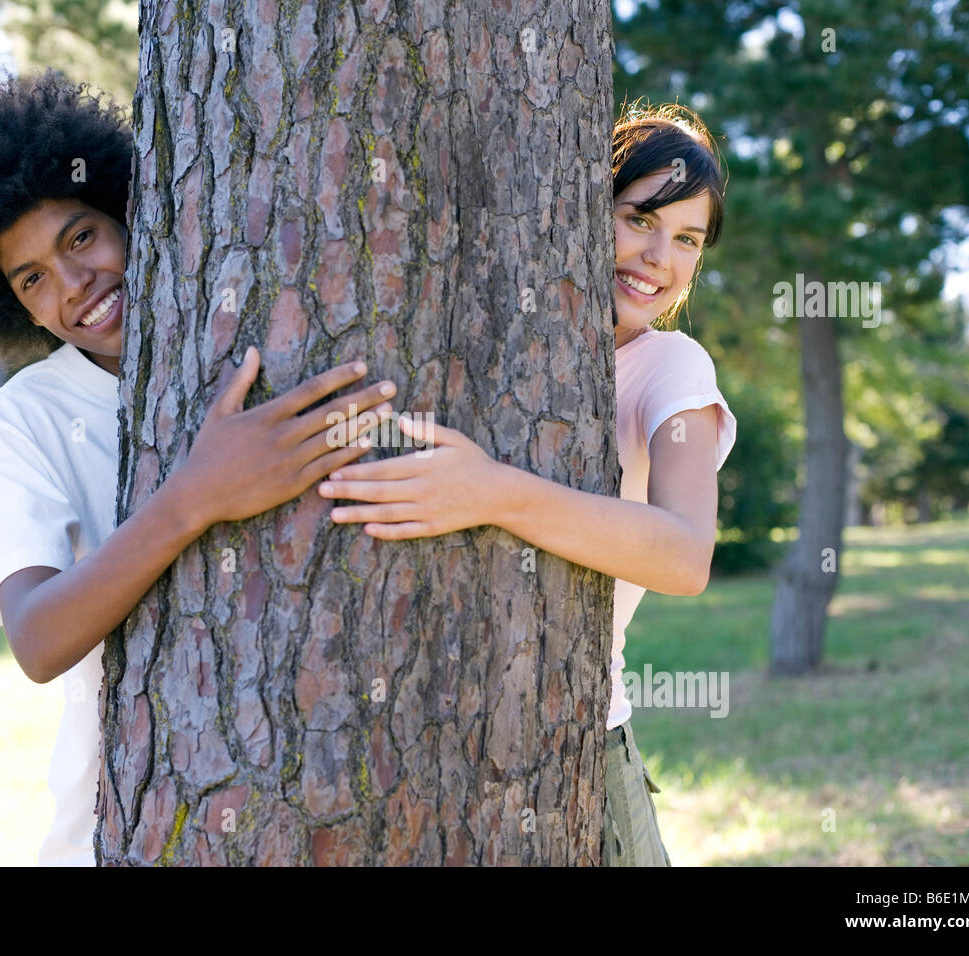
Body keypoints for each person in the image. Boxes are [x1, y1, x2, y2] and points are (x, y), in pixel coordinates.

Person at [0, 71, 394, 865]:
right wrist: (192, 499)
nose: (74, 285)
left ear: (128, 209)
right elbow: (38, 640)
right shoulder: (21, 422)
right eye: (32, 280)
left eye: (81, 237)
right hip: (124, 826)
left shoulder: (244, 325)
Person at [316, 102, 737, 865]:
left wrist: (491, 491)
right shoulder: (499, 325)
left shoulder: (671, 369)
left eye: (687, 240)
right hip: (413, 743)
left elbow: (684, 554)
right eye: (640, 219)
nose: (659, 258)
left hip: (579, 748)